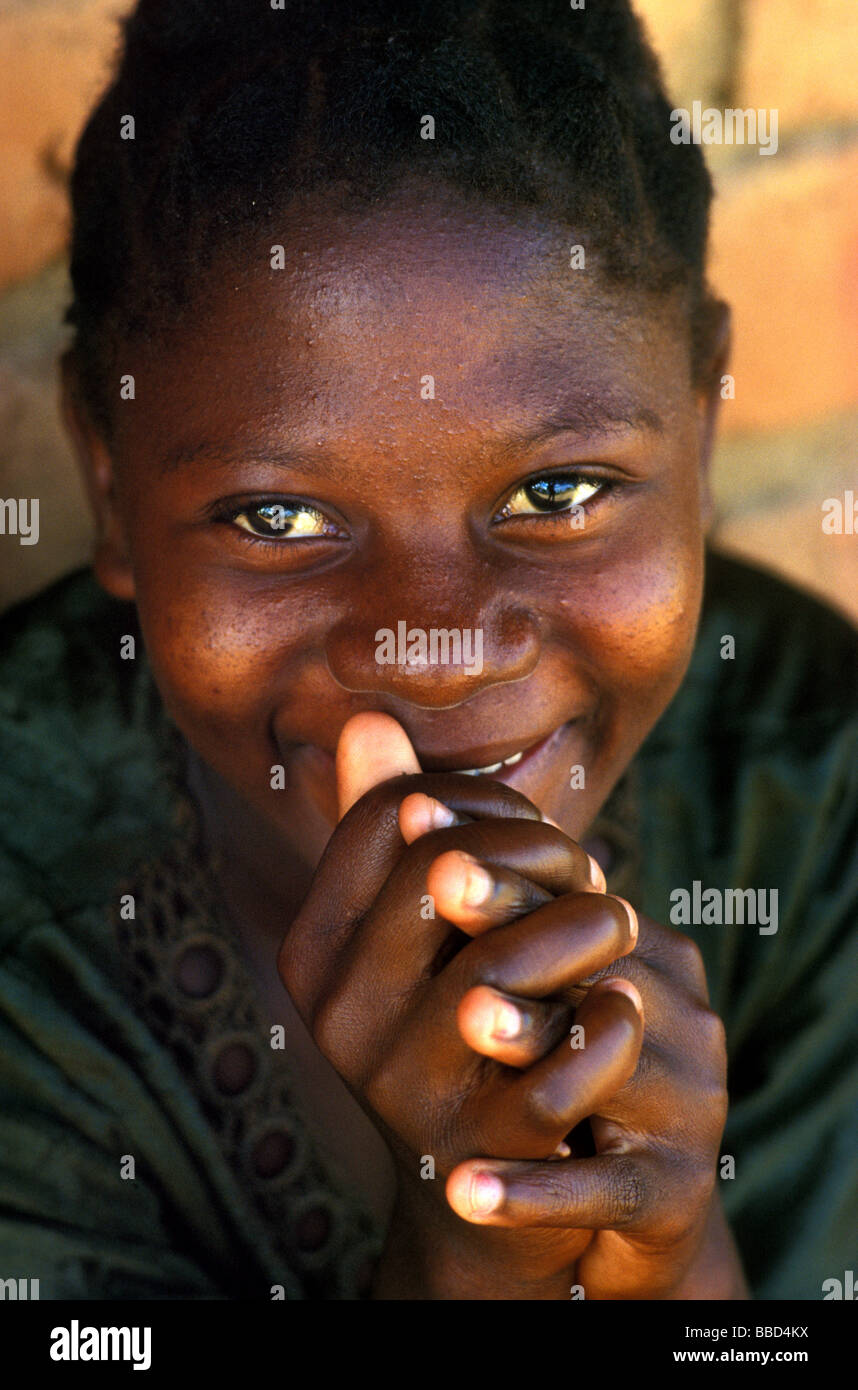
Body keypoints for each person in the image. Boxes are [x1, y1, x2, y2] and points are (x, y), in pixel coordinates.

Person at [0, 0, 855, 1300]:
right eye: (278, 515)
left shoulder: (806, 776)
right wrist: (479, 1248)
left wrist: (667, 1250)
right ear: (108, 483)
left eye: (558, 492)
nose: (441, 646)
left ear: (698, 415)